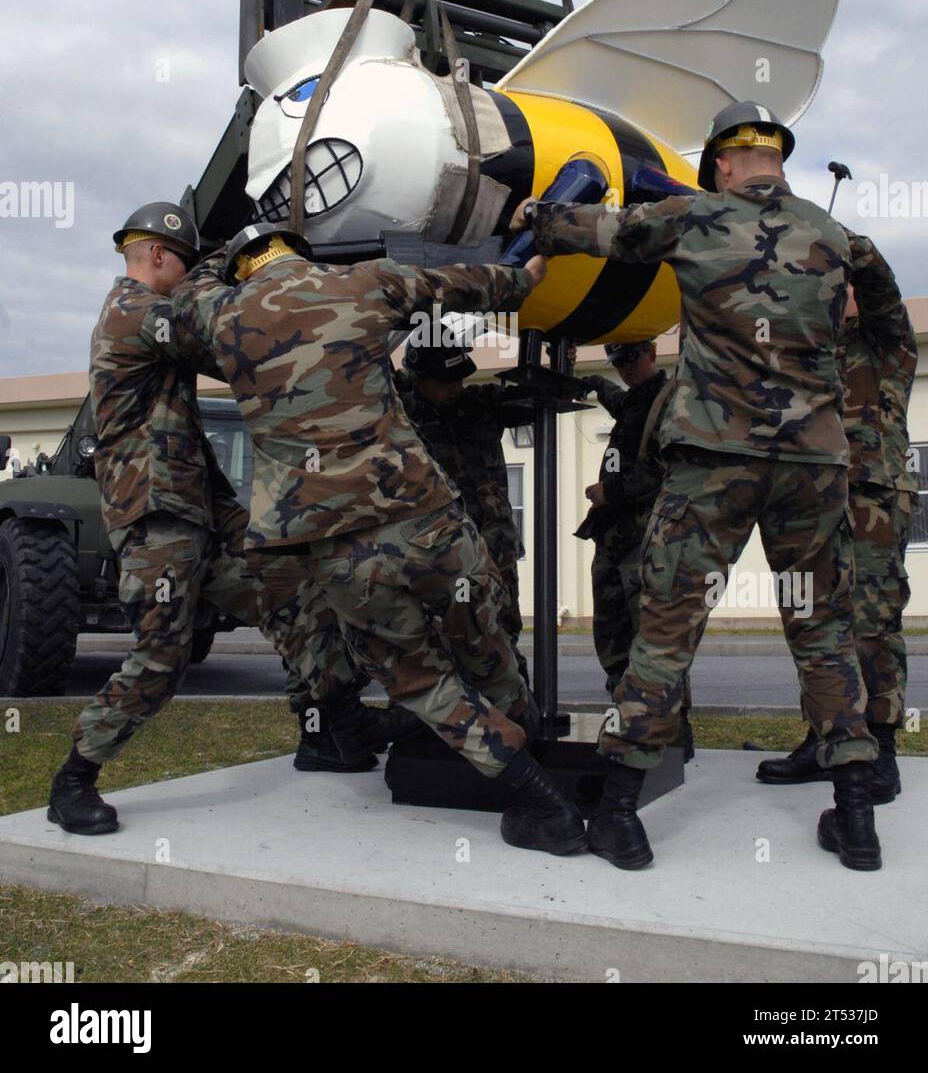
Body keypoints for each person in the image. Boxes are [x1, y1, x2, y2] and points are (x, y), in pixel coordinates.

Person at [511, 101, 880, 873]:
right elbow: (877, 322)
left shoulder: (693, 217)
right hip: (812, 466)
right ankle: (855, 818)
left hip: (716, 461)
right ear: (778, 157)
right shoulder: (840, 235)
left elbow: (600, 231)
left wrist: (535, 214)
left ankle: (618, 816)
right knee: (823, 631)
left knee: (668, 628)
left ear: (719, 162)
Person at [172, 223, 588, 857]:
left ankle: (537, 799)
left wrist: (209, 265)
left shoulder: (220, 314)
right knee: (486, 639)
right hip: (429, 521)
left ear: (240, 267)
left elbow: (185, 297)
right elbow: (466, 286)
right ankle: (529, 743)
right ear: (299, 251)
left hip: (337, 549)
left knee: (419, 680)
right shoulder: (363, 283)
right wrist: (520, 277)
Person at [46, 205, 378, 837]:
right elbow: (222, 335)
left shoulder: (150, 316)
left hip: (198, 511)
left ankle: (332, 728)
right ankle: (75, 778)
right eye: (189, 264)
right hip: (157, 516)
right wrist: (244, 273)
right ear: (162, 259)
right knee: (162, 656)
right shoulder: (134, 313)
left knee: (295, 595)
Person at [757, 235, 917, 804]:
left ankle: (883, 748)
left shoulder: (886, 344)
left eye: (842, 286)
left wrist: (835, 241)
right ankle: (826, 738)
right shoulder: (811, 351)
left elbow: (882, 292)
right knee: (817, 623)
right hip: (812, 500)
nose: (836, 293)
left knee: (873, 626)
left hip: (871, 498)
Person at [577, 341, 693, 757]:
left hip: (645, 541)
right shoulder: (632, 401)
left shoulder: (668, 400)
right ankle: (626, 721)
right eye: (617, 363)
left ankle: (673, 731)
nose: (624, 369)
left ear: (648, 354)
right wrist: (590, 381)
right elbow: (616, 398)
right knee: (612, 635)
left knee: (652, 637)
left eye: (629, 359)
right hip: (613, 538)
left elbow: (665, 465)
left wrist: (613, 490)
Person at [393, 329, 531, 658]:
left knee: (502, 635)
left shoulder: (480, 403)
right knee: (444, 643)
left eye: (460, 376)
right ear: (419, 380)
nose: (455, 385)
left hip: (494, 547)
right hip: (439, 553)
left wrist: (556, 367)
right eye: (444, 379)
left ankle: (511, 705)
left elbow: (537, 399)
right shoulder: (402, 415)